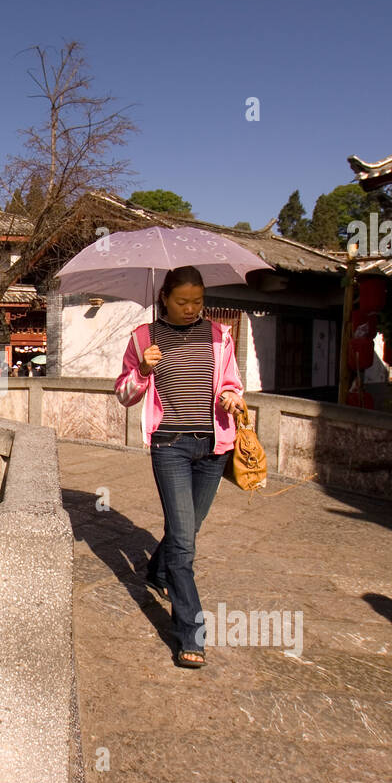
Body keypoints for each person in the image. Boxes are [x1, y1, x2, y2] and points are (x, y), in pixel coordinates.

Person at [115, 266, 247, 670]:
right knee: (186, 545)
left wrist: (229, 398)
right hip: (169, 446)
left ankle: (156, 571)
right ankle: (190, 633)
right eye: (183, 301)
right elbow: (123, 394)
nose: (192, 309)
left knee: (185, 530)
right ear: (165, 299)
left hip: (214, 447)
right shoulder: (143, 338)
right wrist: (143, 370)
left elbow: (233, 384)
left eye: (198, 301)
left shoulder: (219, 336)